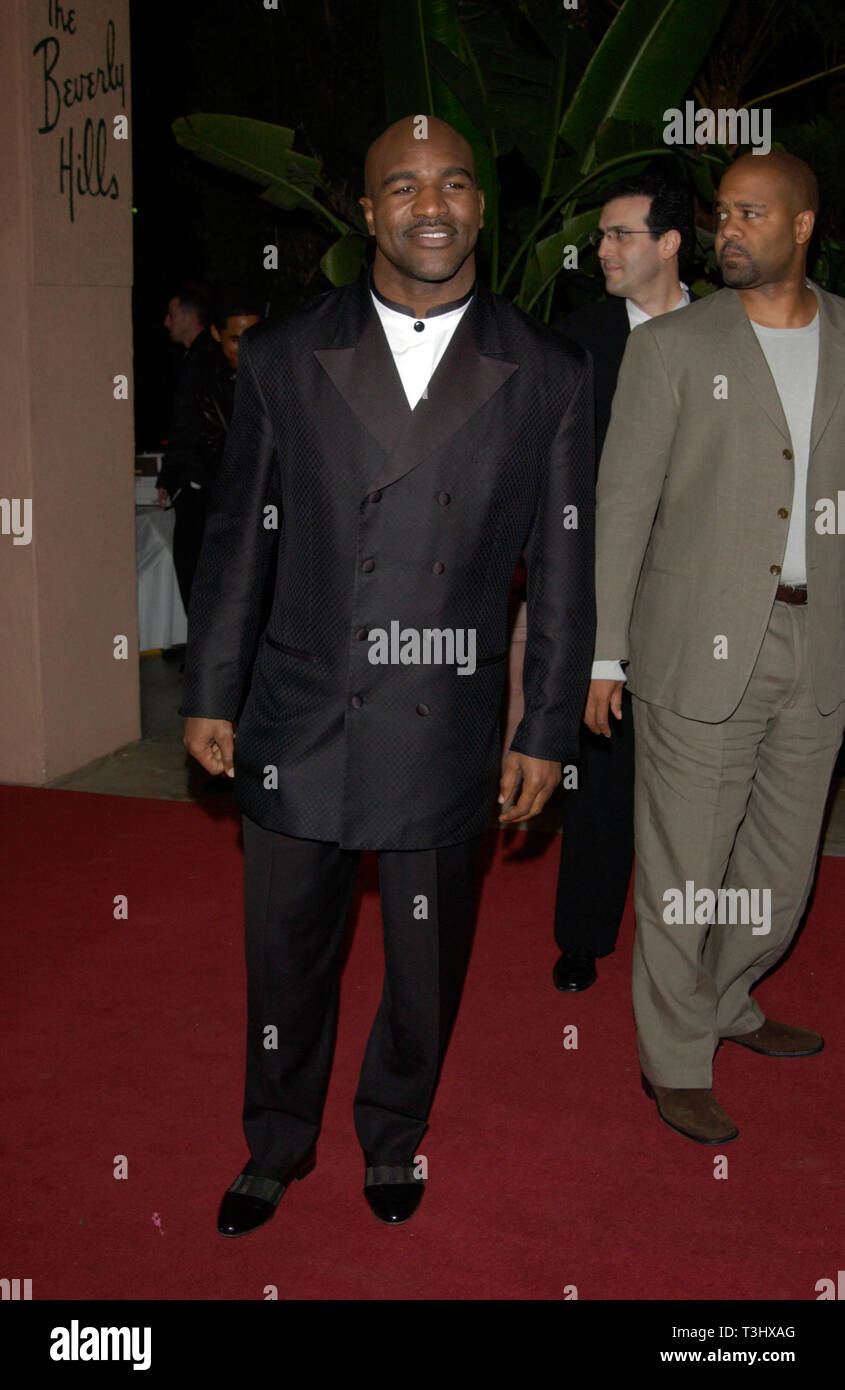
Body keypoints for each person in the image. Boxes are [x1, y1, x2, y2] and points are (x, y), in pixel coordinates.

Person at [180, 115, 595, 1235]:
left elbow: (563, 563)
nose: (430, 205)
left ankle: (393, 1134)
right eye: (401, 186)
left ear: (478, 206)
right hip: (299, 709)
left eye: (453, 183)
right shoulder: (281, 355)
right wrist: (210, 690)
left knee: (424, 961)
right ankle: (274, 1143)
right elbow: (238, 541)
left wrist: (545, 725)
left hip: (444, 717)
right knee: (284, 956)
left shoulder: (548, 370)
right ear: (365, 212)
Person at [587, 151, 845, 1144]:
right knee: (682, 870)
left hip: (814, 642)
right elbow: (621, 509)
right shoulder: (670, 348)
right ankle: (674, 1057)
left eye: (750, 212)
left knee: (779, 875)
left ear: (802, 223)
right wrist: (603, 657)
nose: (725, 230)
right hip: (694, 646)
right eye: (718, 213)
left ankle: (727, 996)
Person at [551, 172, 696, 994]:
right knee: (597, 774)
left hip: (700, 599)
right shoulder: (577, 342)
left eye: (619, 236)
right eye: (600, 236)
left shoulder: (728, 331)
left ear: (669, 244)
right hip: (604, 591)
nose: (600, 250)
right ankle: (582, 936)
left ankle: (686, 951)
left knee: (692, 785)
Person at [156, 286, 217, 614]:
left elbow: (189, 426)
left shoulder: (203, 361)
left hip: (199, 486)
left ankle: (203, 658)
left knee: (193, 570)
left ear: (189, 318)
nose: (166, 322)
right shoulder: (198, 358)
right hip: (201, 483)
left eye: (172, 315)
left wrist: (181, 477)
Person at [196, 290, 264, 485]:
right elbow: (213, 453)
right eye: (236, 340)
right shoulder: (208, 386)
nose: (246, 349)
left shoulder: (284, 377)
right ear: (217, 334)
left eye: (254, 338)